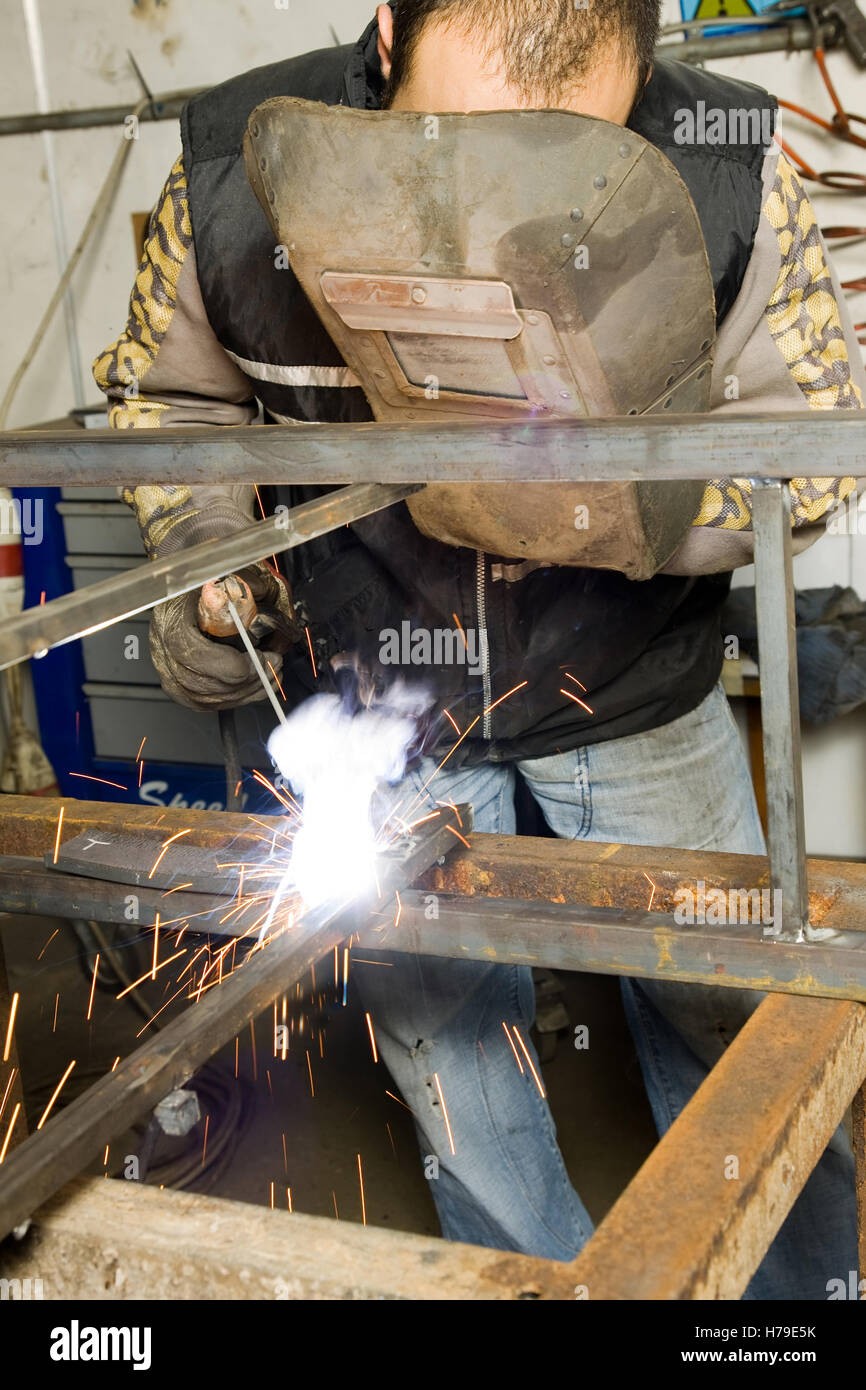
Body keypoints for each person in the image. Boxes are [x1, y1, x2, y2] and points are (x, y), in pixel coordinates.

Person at [94, 1, 864, 1298]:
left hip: (630, 689)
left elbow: (817, 443)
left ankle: (790, 1320)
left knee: (737, 1027)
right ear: (387, 32)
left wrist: (621, 510)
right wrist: (216, 561)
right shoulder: (228, 171)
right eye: (455, 140)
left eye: (560, 152)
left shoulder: (728, 167)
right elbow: (164, 404)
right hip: (384, 703)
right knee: (456, 1064)